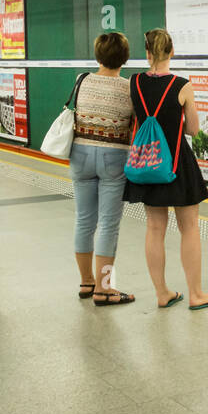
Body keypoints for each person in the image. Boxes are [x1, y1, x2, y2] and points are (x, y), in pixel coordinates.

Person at [125, 28, 208, 311]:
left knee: (154, 228)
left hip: (147, 161)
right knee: (189, 228)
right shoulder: (182, 86)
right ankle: (196, 294)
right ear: (171, 52)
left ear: (146, 54)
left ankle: (162, 293)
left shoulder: (135, 83)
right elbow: (193, 129)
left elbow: (135, 118)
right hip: (177, 163)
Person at [71, 32, 136, 305]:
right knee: (109, 224)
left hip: (81, 153)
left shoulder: (82, 80)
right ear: (125, 57)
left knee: (84, 220)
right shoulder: (128, 87)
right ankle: (105, 288)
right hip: (114, 156)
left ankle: (87, 282)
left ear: (98, 55)